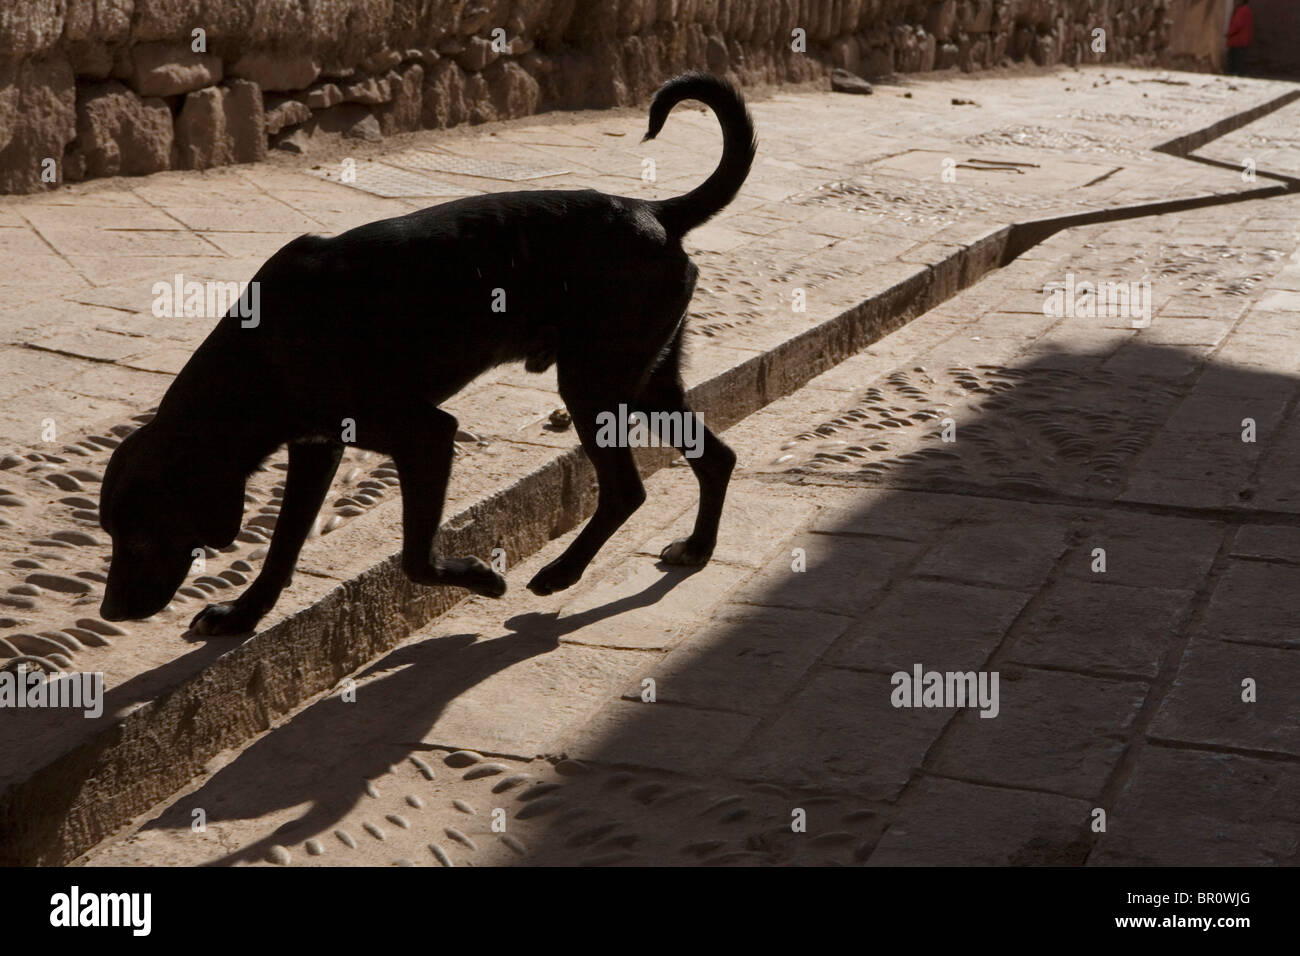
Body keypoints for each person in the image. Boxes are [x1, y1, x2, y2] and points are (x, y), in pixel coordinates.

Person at [1226, 0, 1253, 76]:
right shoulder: (1247, 10)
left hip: (1237, 39)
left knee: (1235, 57)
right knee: (1240, 57)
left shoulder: (1242, 10)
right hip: (1242, 39)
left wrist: (1229, 33)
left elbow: (1237, 24)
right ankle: (1239, 72)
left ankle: (1235, 72)